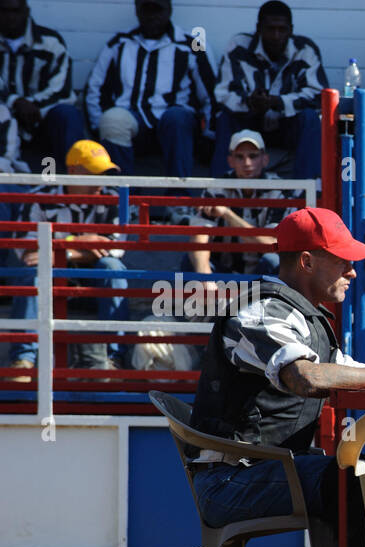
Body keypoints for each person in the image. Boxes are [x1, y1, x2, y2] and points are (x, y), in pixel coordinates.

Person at [188, 208, 365, 547]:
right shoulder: (260, 309)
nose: (352, 269)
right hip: (231, 482)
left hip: (260, 472)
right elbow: (305, 378)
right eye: (342, 259)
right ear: (306, 261)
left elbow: (349, 375)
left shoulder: (301, 316)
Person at [8, 141, 129, 374]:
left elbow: (113, 249)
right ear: (72, 171)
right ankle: (23, 362)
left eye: (105, 174)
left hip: (92, 281)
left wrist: (56, 253)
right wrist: (80, 244)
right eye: (95, 174)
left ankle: (115, 360)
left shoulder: (113, 199)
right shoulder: (40, 197)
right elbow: (27, 253)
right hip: (50, 281)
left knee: (112, 267)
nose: (101, 183)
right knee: (31, 274)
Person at [85, 0, 216, 178]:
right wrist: (98, 127)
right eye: (146, 9)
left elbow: (211, 94)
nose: (152, 16)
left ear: (169, 10)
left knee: (176, 117)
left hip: (175, 126)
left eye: (158, 9)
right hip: (132, 125)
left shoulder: (191, 45)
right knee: (113, 119)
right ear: (137, 11)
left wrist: (209, 134)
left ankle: (178, 199)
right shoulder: (119, 44)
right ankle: (124, 198)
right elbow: (95, 89)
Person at [211, 1, 327, 180]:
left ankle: (309, 193)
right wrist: (249, 102)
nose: (276, 36)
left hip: (286, 124)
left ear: (291, 30)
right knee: (225, 118)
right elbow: (223, 93)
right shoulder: (239, 46)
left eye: (282, 29)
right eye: (270, 29)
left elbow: (317, 95)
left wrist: (277, 102)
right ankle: (217, 195)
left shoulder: (304, 49)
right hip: (249, 122)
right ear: (258, 28)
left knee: (310, 118)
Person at [186, 130, 288, 284]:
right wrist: (205, 279)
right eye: (240, 157)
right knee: (191, 263)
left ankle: (264, 306)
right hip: (223, 272)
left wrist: (227, 213)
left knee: (274, 261)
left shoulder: (280, 191)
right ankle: (206, 305)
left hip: (262, 274)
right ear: (230, 161)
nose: (247, 163)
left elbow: (272, 245)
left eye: (253, 156)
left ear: (265, 159)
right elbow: (199, 236)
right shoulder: (216, 188)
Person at [0, 0, 83, 160]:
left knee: (68, 115)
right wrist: (15, 102)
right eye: (4, 11)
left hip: (40, 117)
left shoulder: (50, 42)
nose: (10, 17)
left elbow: (61, 90)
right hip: (2, 118)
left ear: (27, 11)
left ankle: (74, 178)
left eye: (15, 11)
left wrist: (31, 106)